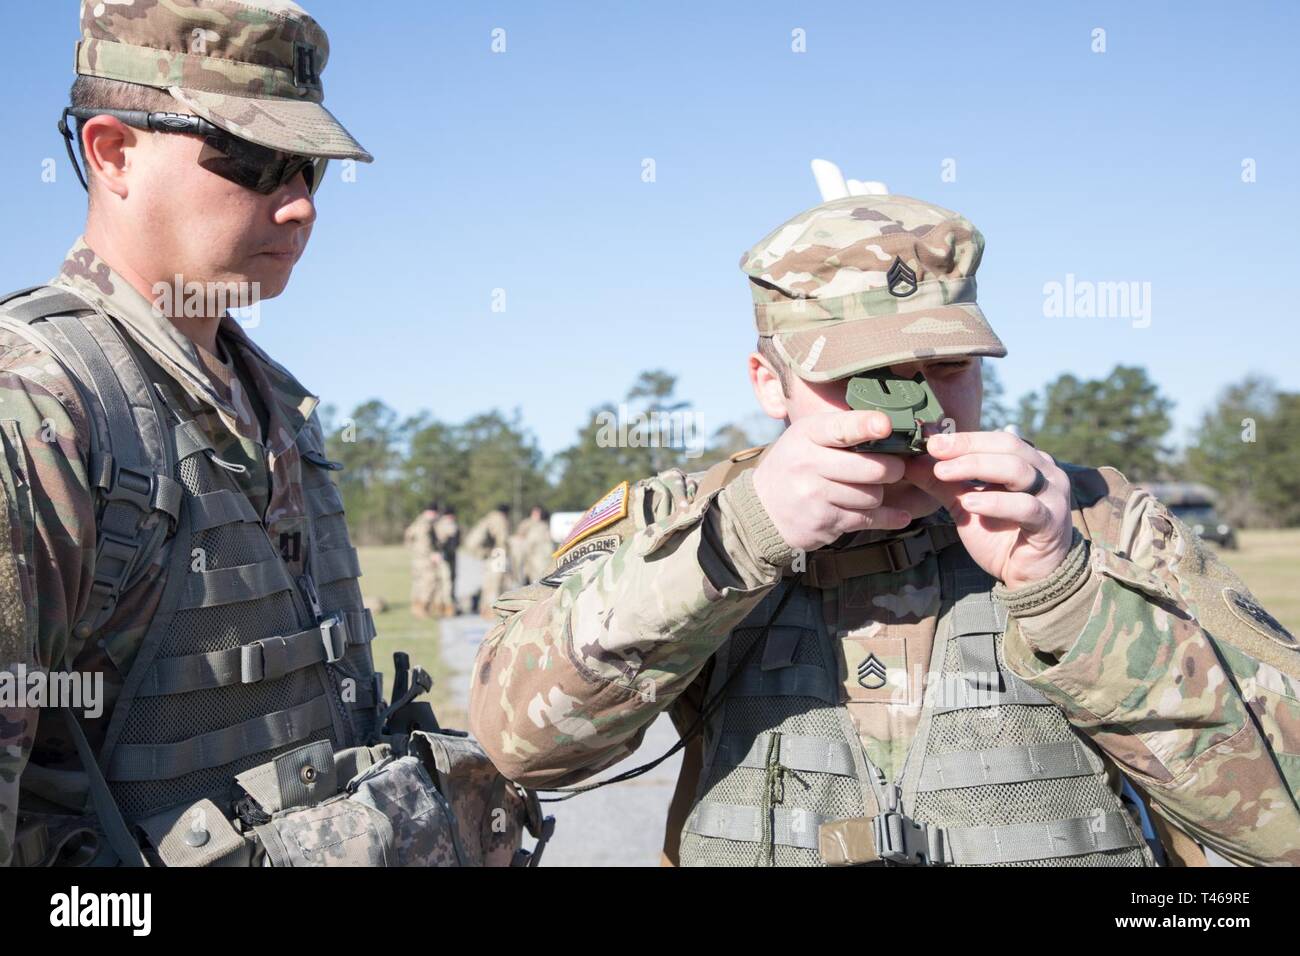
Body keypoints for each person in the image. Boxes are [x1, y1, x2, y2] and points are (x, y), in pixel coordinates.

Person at [469, 193, 1300, 867]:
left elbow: (1285, 826)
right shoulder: (685, 524)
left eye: (948, 367)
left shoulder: (1095, 519)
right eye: (863, 377)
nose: (919, 407)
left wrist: (1067, 593)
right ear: (769, 380)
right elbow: (519, 747)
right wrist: (742, 537)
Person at [0, 0, 543, 868]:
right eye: (253, 161)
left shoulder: (277, 409)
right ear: (112, 151)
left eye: (308, 170)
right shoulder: (39, 410)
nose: (300, 209)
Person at [464, 504, 513, 619]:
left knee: (487, 584)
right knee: (495, 584)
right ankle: (492, 612)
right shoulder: (500, 520)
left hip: (488, 555)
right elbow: (502, 539)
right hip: (497, 554)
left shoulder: (488, 518)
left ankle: (484, 610)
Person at [403, 505, 440, 619]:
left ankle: (416, 609)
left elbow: (408, 538)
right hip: (425, 559)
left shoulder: (416, 523)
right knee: (429, 583)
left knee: (417, 584)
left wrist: (413, 551)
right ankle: (423, 609)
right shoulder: (425, 525)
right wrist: (431, 555)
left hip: (417, 559)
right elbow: (425, 543)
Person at [510, 506, 554, 587]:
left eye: (537, 513)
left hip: (537, 560)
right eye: (534, 512)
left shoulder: (542, 526)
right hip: (531, 560)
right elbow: (520, 536)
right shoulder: (528, 523)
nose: (535, 515)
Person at [433, 504, 461, 614]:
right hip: (447, 557)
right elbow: (453, 542)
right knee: (448, 582)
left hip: (438, 556)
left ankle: (438, 607)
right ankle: (448, 608)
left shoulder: (437, 523)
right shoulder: (449, 524)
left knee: (440, 582)